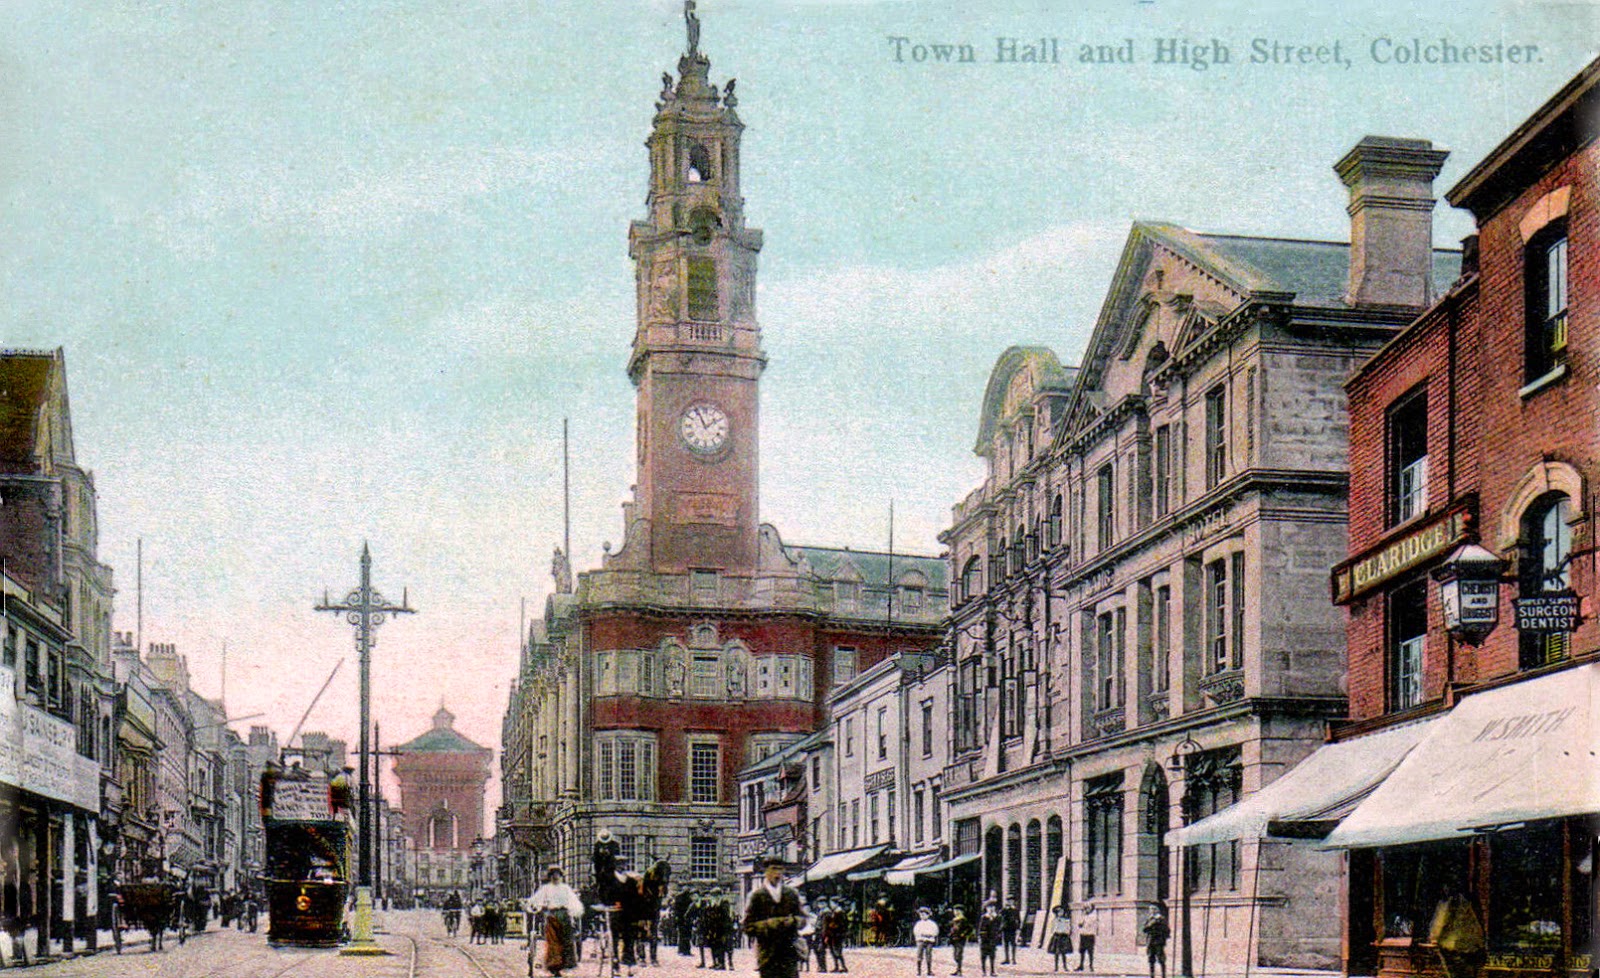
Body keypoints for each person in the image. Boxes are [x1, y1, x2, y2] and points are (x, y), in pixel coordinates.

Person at [742, 856, 809, 978]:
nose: (777, 873)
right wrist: (769, 924)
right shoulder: (757, 896)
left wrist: (794, 921)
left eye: (780, 869)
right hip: (767, 954)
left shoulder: (791, 894)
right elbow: (747, 926)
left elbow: (803, 919)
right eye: (773, 869)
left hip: (789, 953)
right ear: (766, 871)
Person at [529, 866, 586, 977]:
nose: (556, 877)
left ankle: (566, 965)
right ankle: (554, 966)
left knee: (567, 940)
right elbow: (537, 900)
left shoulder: (565, 888)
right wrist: (535, 906)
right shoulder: (546, 888)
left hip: (564, 915)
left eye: (558, 874)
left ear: (561, 876)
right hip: (552, 915)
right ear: (550, 877)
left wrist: (575, 911)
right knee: (553, 941)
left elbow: (573, 901)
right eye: (553, 875)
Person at [1429, 891, 1485, 978]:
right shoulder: (1470, 899)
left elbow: (1441, 920)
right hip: (1471, 947)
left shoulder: (1449, 899)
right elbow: (1478, 924)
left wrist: (1434, 937)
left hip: (1452, 946)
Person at [1143, 904, 1170, 978]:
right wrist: (1150, 924)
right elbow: (1144, 929)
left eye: (1153, 909)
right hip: (1150, 941)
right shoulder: (1149, 919)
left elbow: (1166, 930)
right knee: (1151, 958)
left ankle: (1163, 975)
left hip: (1158, 942)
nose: (1152, 911)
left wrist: (1163, 938)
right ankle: (1152, 975)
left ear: (1157, 910)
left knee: (1161, 959)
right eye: (1151, 909)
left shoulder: (1161, 919)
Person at [823, 899, 849, 972]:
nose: (831, 905)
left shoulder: (840, 913)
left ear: (836, 903)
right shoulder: (834, 912)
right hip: (832, 935)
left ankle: (842, 967)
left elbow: (841, 925)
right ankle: (837, 966)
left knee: (837, 951)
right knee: (833, 951)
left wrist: (831, 925)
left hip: (837, 935)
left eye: (832, 903)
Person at [977, 902, 1002, 976]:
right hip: (985, 939)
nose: (991, 909)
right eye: (989, 907)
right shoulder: (984, 917)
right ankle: (983, 971)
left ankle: (992, 971)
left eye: (992, 907)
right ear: (986, 909)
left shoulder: (997, 917)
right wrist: (981, 937)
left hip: (992, 939)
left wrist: (997, 935)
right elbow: (980, 928)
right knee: (983, 955)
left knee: (992, 955)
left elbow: (999, 927)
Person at [913, 907, 939, 976]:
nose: (923, 916)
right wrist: (921, 935)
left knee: (928, 955)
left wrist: (929, 934)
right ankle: (919, 971)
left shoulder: (932, 924)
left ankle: (929, 970)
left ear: (928, 915)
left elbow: (935, 932)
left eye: (924, 914)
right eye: (921, 915)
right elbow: (916, 932)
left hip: (929, 941)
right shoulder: (918, 924)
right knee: (919, 955)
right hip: (920, 940)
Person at [1046, 907, 1073, 973]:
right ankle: (1056, 967)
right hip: (1057, 936)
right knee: (1057, 953)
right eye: (1059, 912)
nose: (1061, 913)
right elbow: (1053, 929)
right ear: (1057, 913)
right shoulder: (1054, 920)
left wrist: (1067, 931)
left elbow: (1068, 928)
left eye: (1062, 912)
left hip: (1064, 936)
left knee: (1064, 953)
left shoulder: (1066, 920)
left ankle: (1065, 966)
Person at [948, 908, 973, 977]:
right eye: (955, 911)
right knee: (955, 955)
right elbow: (952, 929)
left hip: (960, 939)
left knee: (959, 954)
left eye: (957, 911)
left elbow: (969, 929)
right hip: (954, 939)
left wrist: (963, 934)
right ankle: (957, 969)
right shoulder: (954, 920)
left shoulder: (963, 920)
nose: (955, 912)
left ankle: (959, 970)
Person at [1074, 904, 1096, 972]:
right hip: (1083, 934)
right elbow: (1079, 924)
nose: (1086, 910)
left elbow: (1087, 924)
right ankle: (1081, 965)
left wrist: (1083, 921)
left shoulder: (1093, 916)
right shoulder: (1083, 916)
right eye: (1085, 908)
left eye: (1088, 908)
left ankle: (1091, 965)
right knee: (1082, 951)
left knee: (1090, 951)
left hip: (1090, 935)